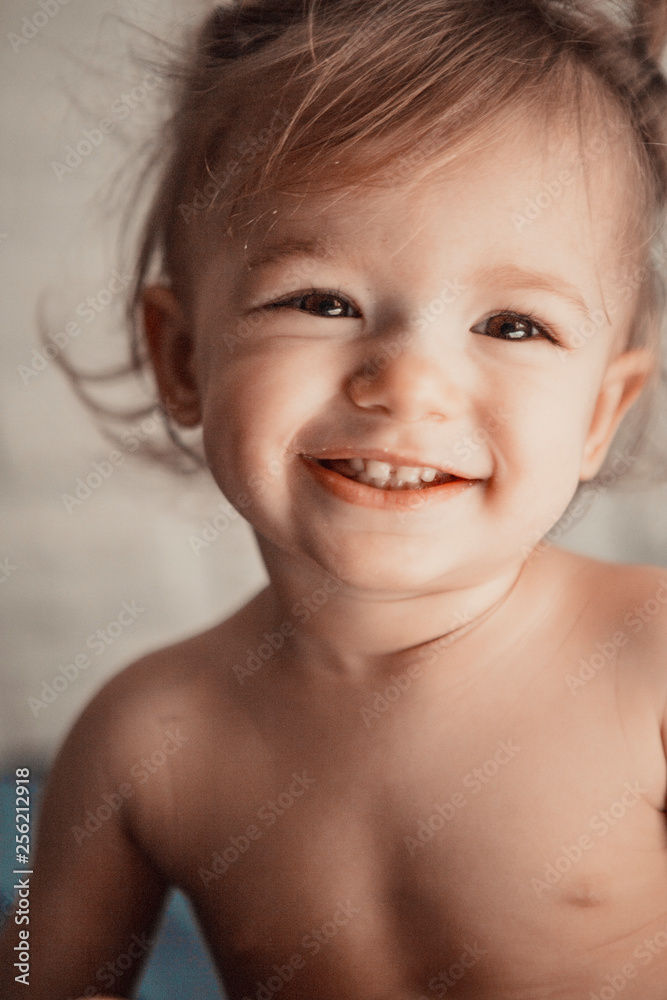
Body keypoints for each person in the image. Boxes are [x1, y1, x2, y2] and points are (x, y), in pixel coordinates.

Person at [3, 0, 667, 997]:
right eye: (322, 302)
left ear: (599, 413)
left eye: (512, 325)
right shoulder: (145, 739)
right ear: (181, 357)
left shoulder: (648, 667)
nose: (407, 384)